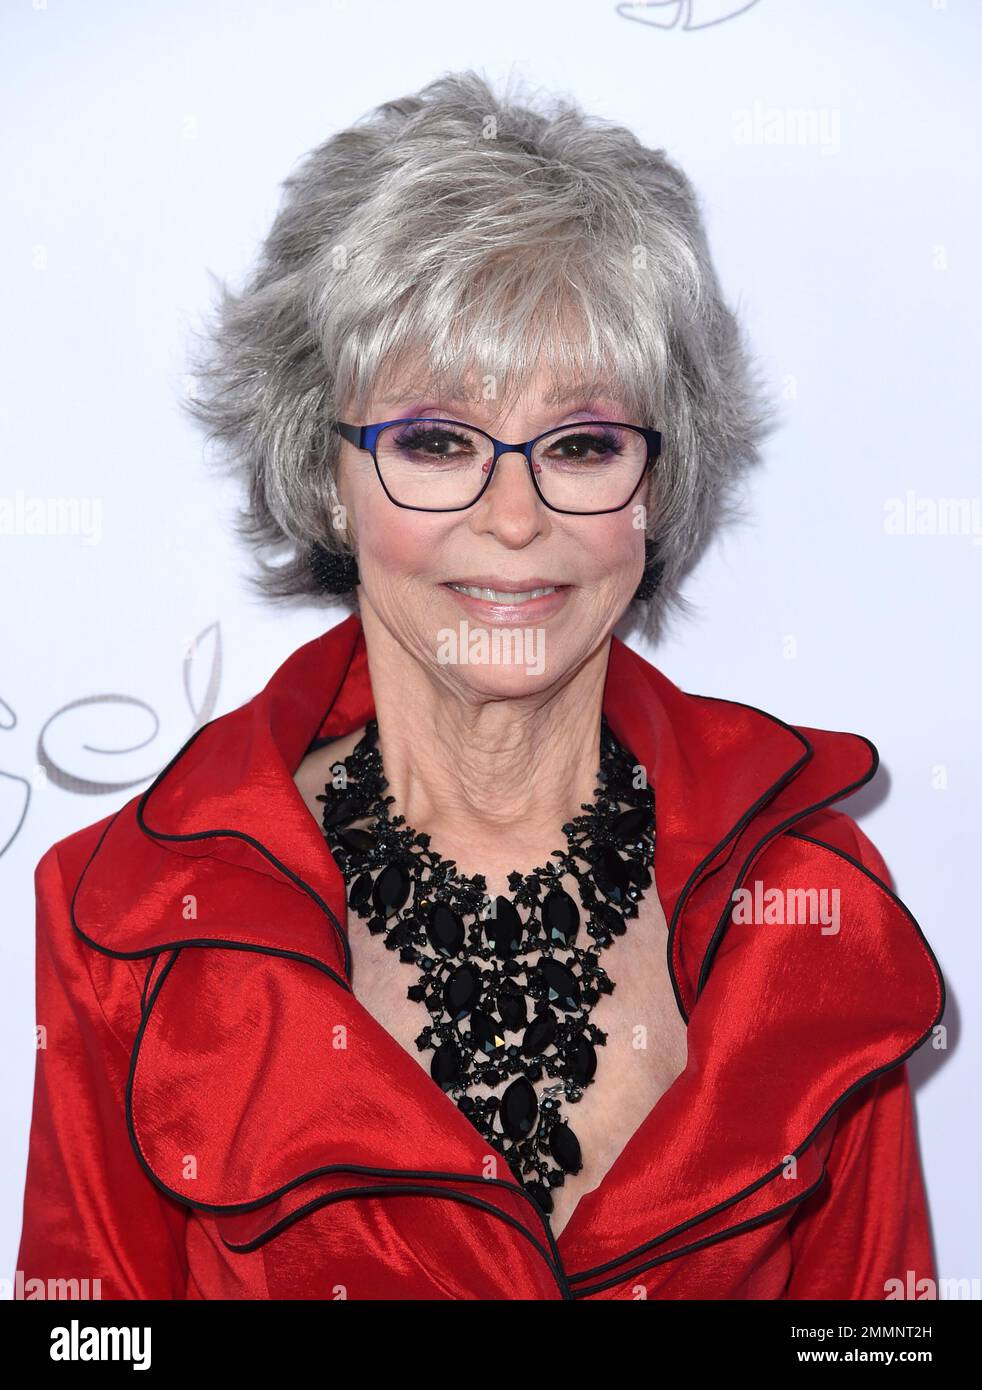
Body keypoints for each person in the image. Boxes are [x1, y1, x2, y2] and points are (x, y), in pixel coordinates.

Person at [16, 71, 943, 1301]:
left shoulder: (805, 891)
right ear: (321, 466)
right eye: (436, 442)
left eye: (583, 444)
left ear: (655, 487)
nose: (515, 519)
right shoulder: (126, 911)